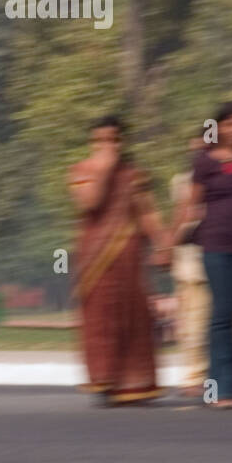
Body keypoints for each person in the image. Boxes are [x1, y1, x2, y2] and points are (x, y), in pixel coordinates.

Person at [167, 102, 232, 407]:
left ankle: (228, 385)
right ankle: (219, 391)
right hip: (217, 246)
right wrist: (169, 243)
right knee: (221, 317)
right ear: (219, 127)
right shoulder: (205, 162)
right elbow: (190, 206)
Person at [67, 115, 166, 404]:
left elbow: (146, 212)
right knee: (101, 319)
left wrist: (163, 243)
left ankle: (134, 384)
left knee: (133, 319)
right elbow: (90, 202)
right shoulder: (80, 171)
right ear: (91, 142)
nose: (107, 145)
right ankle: (104, 379)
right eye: (100, 140)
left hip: (129, 257)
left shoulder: (134, 175)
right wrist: (106, 167)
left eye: (113, 139)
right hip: (95, 260)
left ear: (123, 141)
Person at [169, 135, 209, 396]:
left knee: (202, 323)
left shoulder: (218, 180)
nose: (196, 155)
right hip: (184, 262)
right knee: (185, 326)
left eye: (202, 150)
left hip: (209, 261)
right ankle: (193, 374)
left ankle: (199, 376)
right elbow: (179, 218)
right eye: (193, 150)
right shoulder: (179, 182)